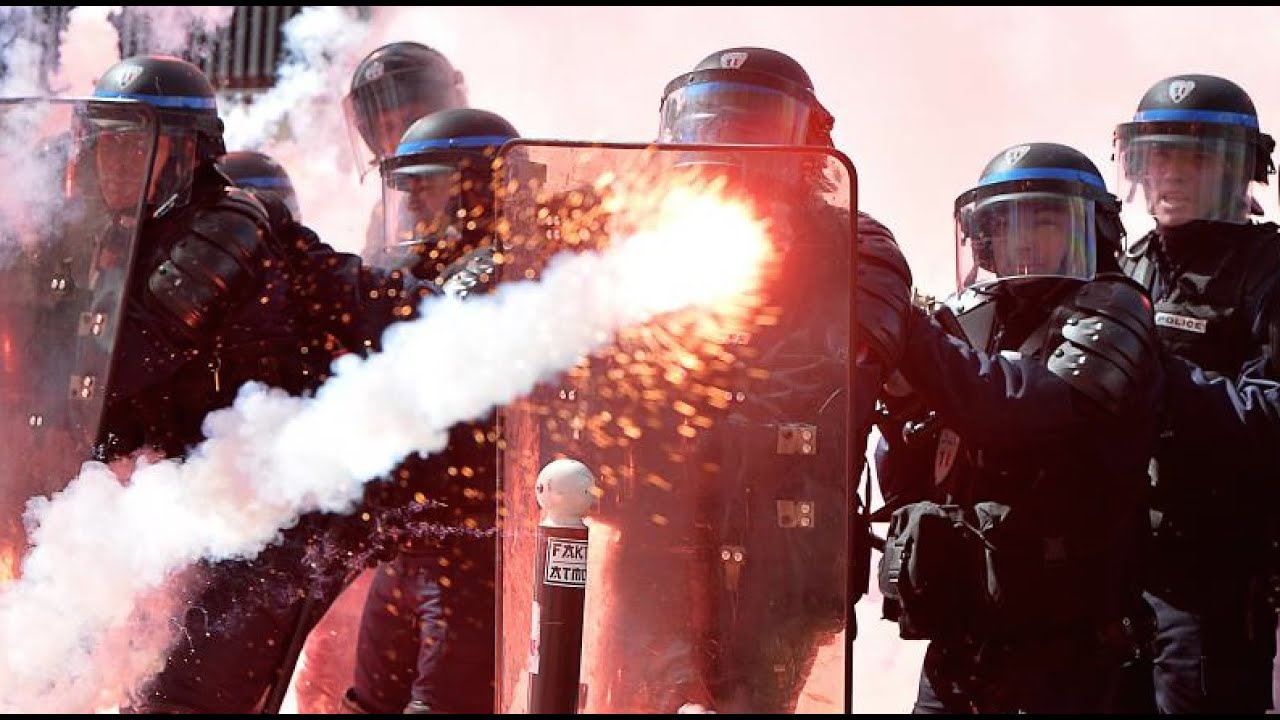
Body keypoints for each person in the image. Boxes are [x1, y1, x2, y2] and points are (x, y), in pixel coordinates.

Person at [524, 46, 911, 714]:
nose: (725, 145)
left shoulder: (853, 243)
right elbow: (587, 367)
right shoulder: (644, 243)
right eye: (707, 125)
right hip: (659, 542)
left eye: (750, 124)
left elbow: (839, 364)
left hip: (781, 549)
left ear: (805, 142)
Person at [81, 54, 427, 714]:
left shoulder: (224, 227)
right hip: (183, 501)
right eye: (105, 142)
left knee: (183, 693)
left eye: (134, 144)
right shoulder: (116, 239)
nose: (113, 162)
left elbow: (129, 362)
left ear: (185, 152)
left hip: (279, 508)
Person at [874, 142, 1163, 713]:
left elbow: (1022, 413)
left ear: (1095, 230)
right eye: (1005, 225)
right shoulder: (970, 319)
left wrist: (910, 331)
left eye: (1046, 220)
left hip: (1067, 652)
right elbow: (907, 463)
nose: (1024, 240)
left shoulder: (1115, 310)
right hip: (964, 639)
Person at [341, 108, 519, 715]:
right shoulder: (412, 275)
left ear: (479, 185)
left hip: (472, 551)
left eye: (429, 179)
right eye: (405, 182)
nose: (412, 195)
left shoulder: (515, 276)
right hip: (404, 544)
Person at [1115, 73, 1280, 714]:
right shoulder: (1128, 266)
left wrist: (1163, 377)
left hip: (1216, 580)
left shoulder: (1269, 272)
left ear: (1238, 172)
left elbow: (1272, 412)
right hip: (1123, 574)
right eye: (1157, 156)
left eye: (1191, 156)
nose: (1170, 175)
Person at [341, 41, 468, 265]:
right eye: (387, 127)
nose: (403, 136)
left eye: (413, 120)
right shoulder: (386, 215)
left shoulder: (491, 191)